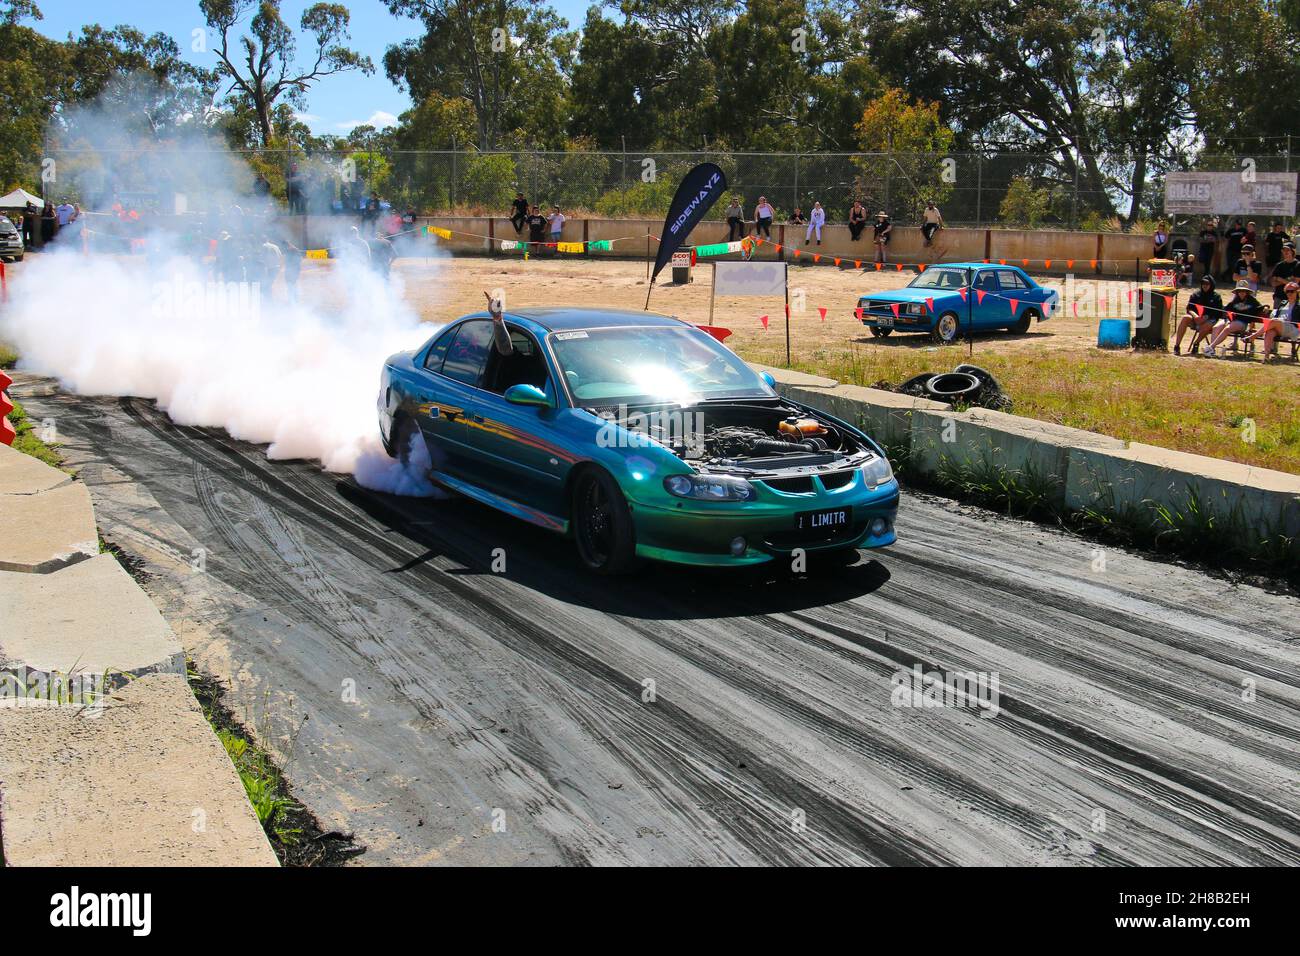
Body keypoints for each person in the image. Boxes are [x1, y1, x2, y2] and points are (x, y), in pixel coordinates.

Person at [1203, 280, 1266, 356]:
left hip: (1242, 323)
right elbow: (1226, 309)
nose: (1241, 293)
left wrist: (1266, 307)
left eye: (1243, 291)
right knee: (1216, 327)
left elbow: (1261, 307)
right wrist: (1227, 314)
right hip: (1230, 321)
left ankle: (1210, 347)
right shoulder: (1235, 300)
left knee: (1227, 329)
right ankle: (1212, 350)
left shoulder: (1252, 300)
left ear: (1247, 292)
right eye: (1239, 291)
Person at [1243, 280, 1299, 359]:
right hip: (1279, 326)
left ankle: (1253, 337)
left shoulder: (1298, 305)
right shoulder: (1283, 303)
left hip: (1292, 328)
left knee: (1274, 321)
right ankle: (1266, 357)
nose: (1289, 293)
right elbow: (1276, 315)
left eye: (1292, 291)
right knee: (1270, 332)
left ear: (1297, 292)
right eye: (1287, 291)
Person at [1172, 274, 1222, 355]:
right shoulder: (1196, 294)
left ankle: (1196, 343)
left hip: (1209, 320)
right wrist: (1196, 316)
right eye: (1203, 283)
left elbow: (1218, 312)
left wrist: (1205, 317)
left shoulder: (1216, 297)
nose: (1205, 286)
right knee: (1185, 318)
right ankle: (1177, 346)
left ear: (1211, 285)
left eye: (1207, 284)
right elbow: (1189, 308)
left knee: (1208, 324)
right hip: (1196, 319)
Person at [1268, 241, 1299, 306]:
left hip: (1293, 298)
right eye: (1283, 250)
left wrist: (1280, 279)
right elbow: (1273, 283)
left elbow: (1295, 284)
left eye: (1287, 250)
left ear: (1292, 251)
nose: (1285, 252)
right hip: (1279, 297)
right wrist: (1288, 280)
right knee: (1276, 315)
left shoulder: (1298, 265)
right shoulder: (1279, 265)